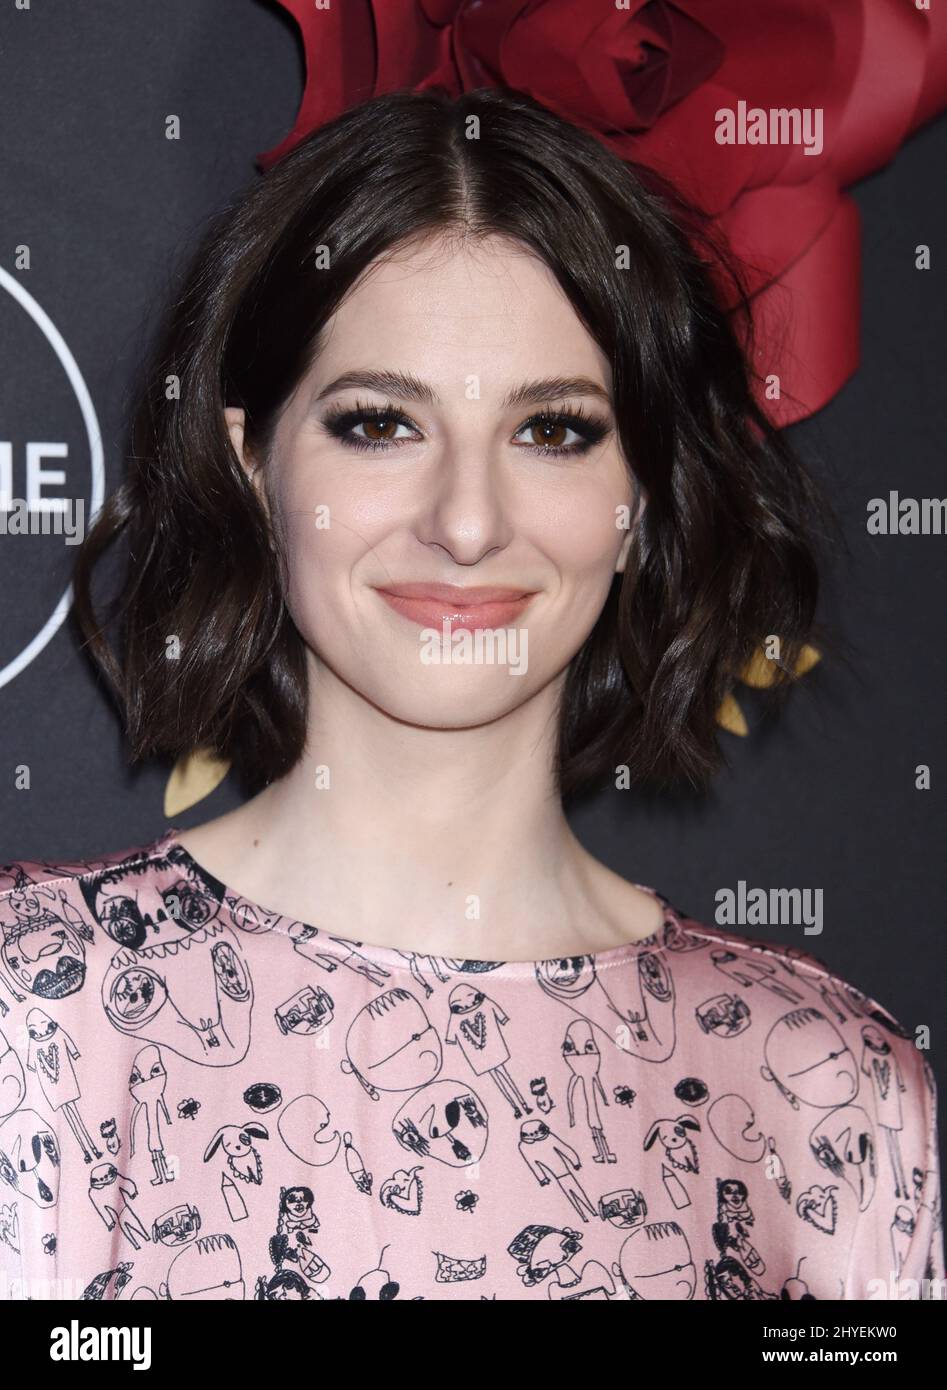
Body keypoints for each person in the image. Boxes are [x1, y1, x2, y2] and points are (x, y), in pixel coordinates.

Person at [0, 88, 941, 1301]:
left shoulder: (825, 1091)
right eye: (380, 422)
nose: (464, 521)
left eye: (552, 431)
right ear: (254, 464)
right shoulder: (39, 1007)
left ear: (640, 493)